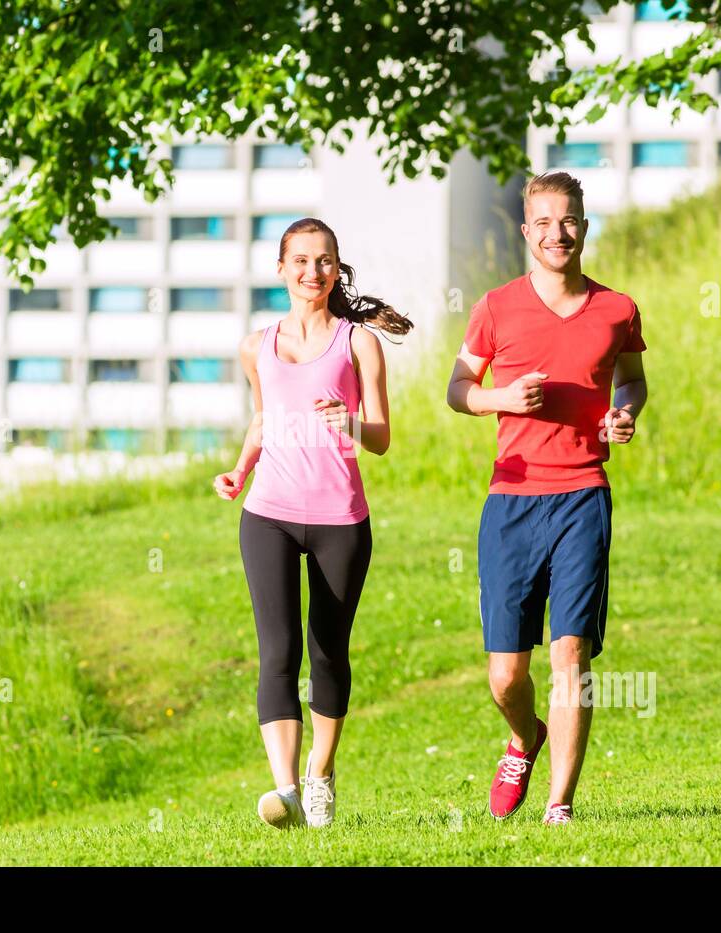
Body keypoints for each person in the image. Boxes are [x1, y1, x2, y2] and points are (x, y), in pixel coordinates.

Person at [446, 172, 648, 825]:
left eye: (570, 221)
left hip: (584, 492)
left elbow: (633, 383)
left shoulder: (618, 309)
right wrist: (499, 398)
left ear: (584, 226)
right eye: (544, 223)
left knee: (570, 653)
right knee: (506, 676)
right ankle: (523, 738)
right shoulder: (496, 307)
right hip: (512, 496)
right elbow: (457, 390)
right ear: (527, 231)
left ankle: (559, 804)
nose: (558, 233)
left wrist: (624, 413)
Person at [214, 218, 412, 829]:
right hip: (267, 515)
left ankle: (320, 777)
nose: (312, 272)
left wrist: (345, 422)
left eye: (324, 261)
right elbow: (262, 419)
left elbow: (379, 437)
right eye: (300, 261)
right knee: (278, 650)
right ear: (281, 268)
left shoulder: (358, 343)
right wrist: (239, 471)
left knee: (327, 652)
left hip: (339, 519)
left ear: (336, 269)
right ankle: (287, 793)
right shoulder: (256, 345)